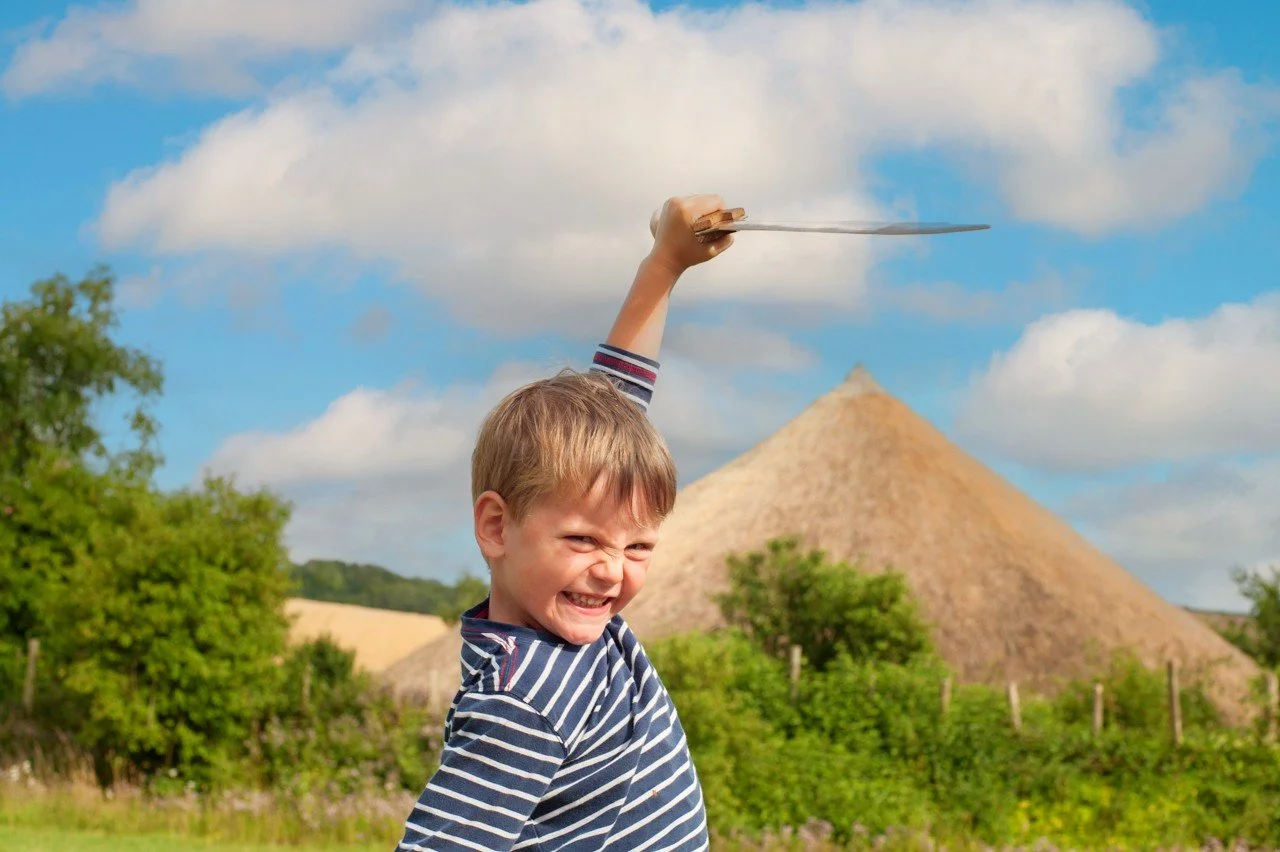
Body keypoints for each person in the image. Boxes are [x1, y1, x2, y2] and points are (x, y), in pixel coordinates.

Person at [395, 195, 733, 851]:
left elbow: (619, 398)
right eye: (583, 540)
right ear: (496, 527)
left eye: (638, 546)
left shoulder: (559, 630)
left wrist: (664, 263)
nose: (611, 569)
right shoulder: (524, 701)